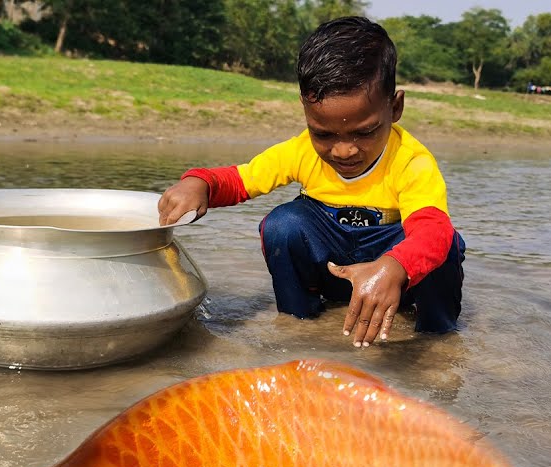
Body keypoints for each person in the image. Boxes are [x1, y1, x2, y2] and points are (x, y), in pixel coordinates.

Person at [157, 16, 465, 347]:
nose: (344, 150)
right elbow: (239, 180)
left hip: (394, 282)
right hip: (333, 276)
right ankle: (297, 325)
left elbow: (432, 231)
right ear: (306, 111)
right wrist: (200, 182)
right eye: (324, 133)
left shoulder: (411, 160)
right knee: (284, 224)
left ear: (395, 107)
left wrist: (394, 267)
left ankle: (437, 341)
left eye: (364, 132)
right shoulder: (302, 150)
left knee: (444, 244)